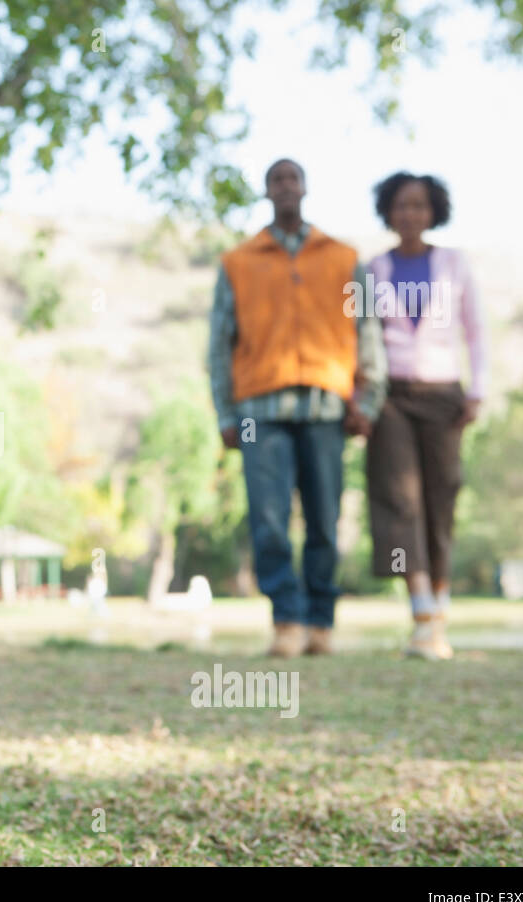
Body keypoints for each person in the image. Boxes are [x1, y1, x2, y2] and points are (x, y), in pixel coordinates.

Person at [208, 158, 387, 657]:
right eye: (276, 180)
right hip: (257, 411)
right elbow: (219, 344)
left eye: (293, 178)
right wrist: (226, 413)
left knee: (325, 520)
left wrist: (367, 400)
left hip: (326, 408)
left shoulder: (342, 258)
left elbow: (367, 331)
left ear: (305, 188)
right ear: (267, 191)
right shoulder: (238, 261)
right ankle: (285, 618)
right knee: (267, 518)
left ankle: (321, 621)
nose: (286, 186)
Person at [364, 172, 487, 660]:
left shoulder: (455, 264)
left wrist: (478, 390)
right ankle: (421, 612)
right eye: (400, 205)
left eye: (418, 205)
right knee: (399, 499)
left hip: (443, 396)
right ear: (388, 212)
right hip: (390, 396)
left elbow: (476, 331)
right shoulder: (373, 269)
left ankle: (440, 602)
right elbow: (363, 333)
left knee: (442, 497)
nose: (409, 214)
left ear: (433, 210)